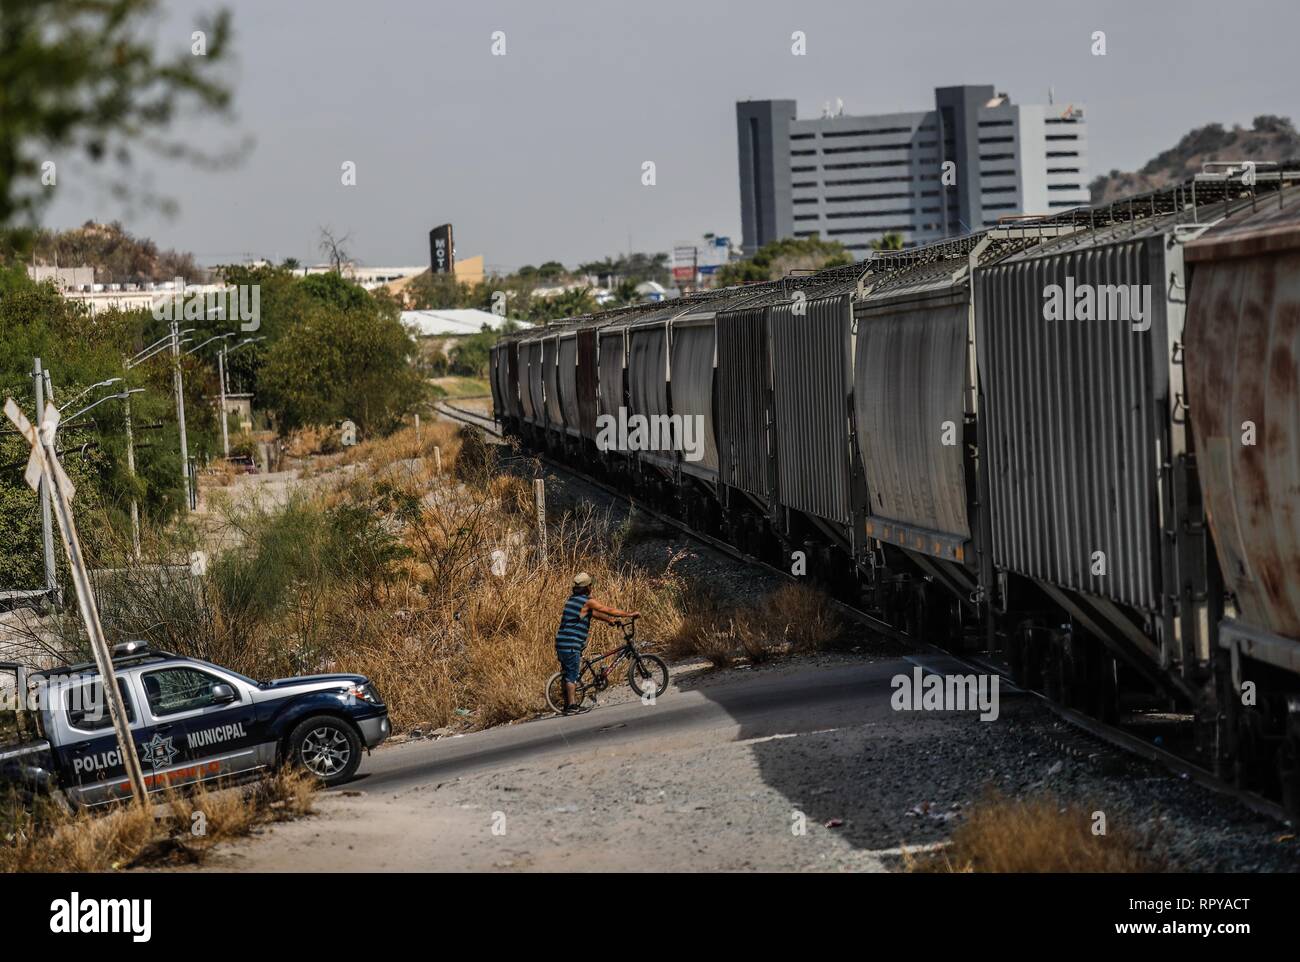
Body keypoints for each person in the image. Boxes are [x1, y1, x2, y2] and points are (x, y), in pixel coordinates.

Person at [555, 571, 639, 715]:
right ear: (588, 587)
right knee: (572, 676)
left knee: (566, 673)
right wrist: (629, 614)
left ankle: (566, 704)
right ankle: (572, 706)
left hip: (561, 642)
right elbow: (608, 609)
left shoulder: (572, 600)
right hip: (571, 644)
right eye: (590, 585)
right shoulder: (587, 601)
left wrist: (608, 620)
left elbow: (593, 613)